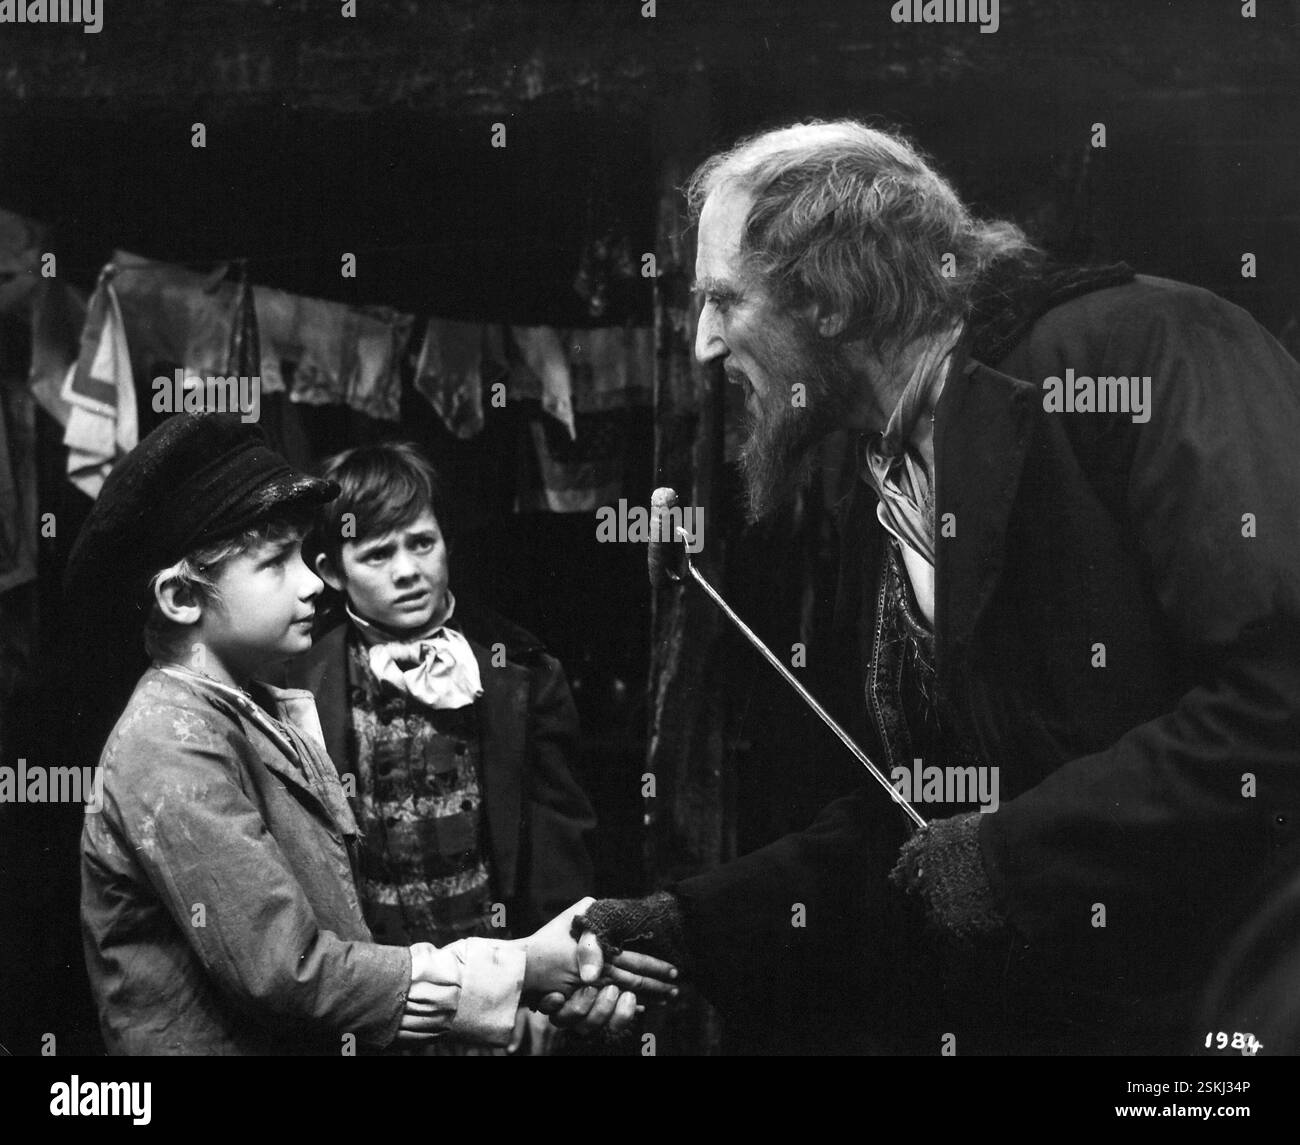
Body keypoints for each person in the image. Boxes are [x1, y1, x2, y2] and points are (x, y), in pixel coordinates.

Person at [557, 119, 1300, 1054]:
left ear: (828, 296)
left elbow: (1281, 698)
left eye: (722, 301)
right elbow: (926, 824)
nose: (704, 345)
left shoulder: (1148, 349)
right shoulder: (897, 480)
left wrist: (1017, 855)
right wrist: (689, 924)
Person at [69, 413, 669, 1055]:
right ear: (182, 599)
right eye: (276, 563)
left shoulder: (249, 705)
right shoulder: (170, 744)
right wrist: (523, 964)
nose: (309, 584)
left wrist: (561, 965)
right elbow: (287, 970)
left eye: (302, 556)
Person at [280, 441, 598, 1055]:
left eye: (421, 543)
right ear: (331, 570)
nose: (407, 570)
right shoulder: (298, 683)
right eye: (378, 554)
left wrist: (554, 991)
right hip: (376, 1002)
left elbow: (559, 842)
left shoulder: (520, 672)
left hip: (501, 989)